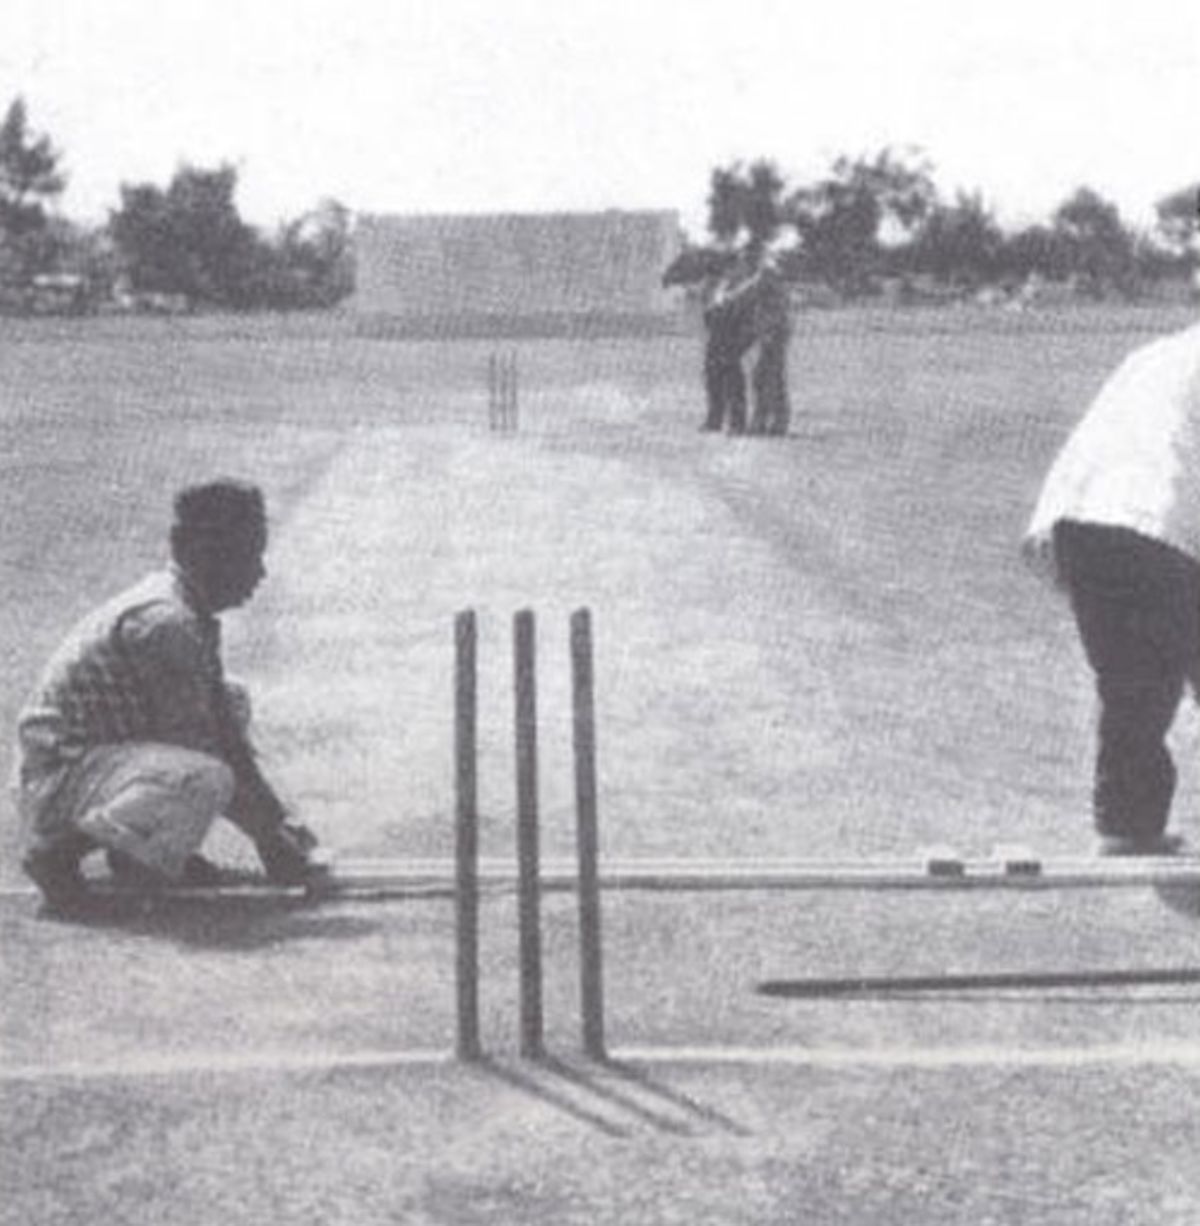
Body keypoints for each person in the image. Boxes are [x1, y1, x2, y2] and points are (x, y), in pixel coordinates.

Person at [13, 478, 326, 911]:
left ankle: (134, 852)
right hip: (60, 782)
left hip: (91, 766)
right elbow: (205, 749)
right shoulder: (167, 623)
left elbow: (224, 729)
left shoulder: (185, 608)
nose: (259, 573)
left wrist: (278, 823)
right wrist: (272, 838)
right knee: (206, 776)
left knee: (231, 700)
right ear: (203, 554)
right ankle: (56, 857)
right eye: (248, 556)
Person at [1022, 320, 1200, 856]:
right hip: (1156, 516)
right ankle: (1128, 820)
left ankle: (1128, 825)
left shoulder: (1157, 354)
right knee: (1143, 679)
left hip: (1079, 519)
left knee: (1131, 682)